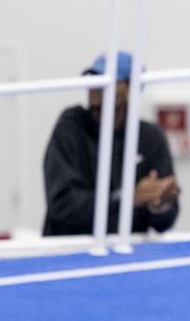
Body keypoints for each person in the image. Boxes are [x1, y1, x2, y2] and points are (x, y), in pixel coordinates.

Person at [42, 51, 180, 236]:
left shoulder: (150, 137)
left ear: (131, 87)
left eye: (107, 81)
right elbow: (62, 206)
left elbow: (164, 222)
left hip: (130, 252)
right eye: (93, 80)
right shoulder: (71, 127)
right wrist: (127, 198)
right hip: (71, 250)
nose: (96, 88)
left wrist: (160, 204)